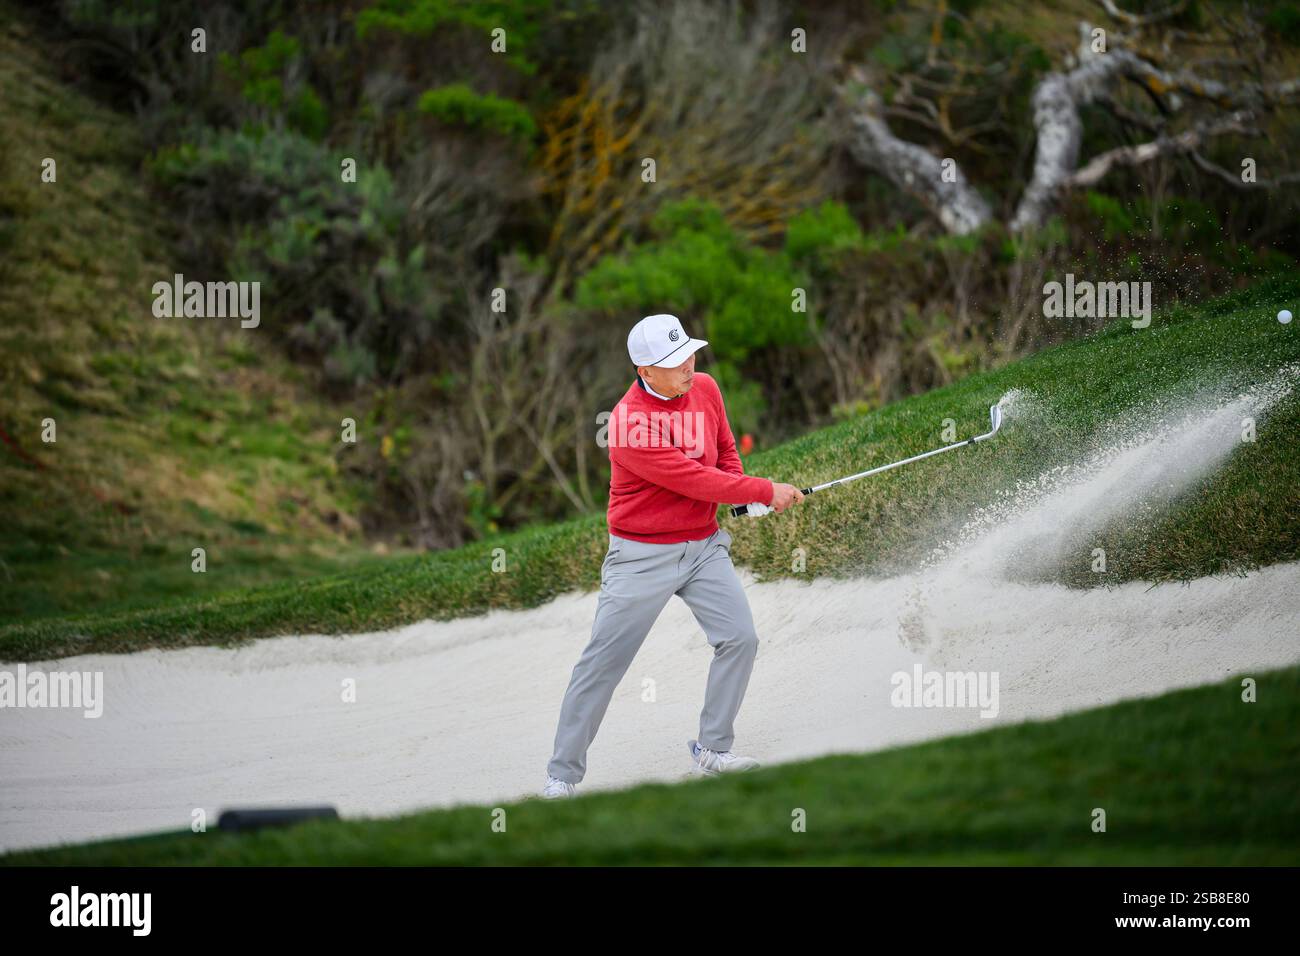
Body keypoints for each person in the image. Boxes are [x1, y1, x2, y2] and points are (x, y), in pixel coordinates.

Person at [542, 313, 804, 798]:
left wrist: (742, 493)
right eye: (672, 360)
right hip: (641, 556)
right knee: (603, 664)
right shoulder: (628, 424)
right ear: (644, 371)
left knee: (739, 638)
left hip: (703, 546)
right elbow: (693, 478)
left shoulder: (704, 387)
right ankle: (561, 777)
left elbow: (724, 453)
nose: (687, 364)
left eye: (687, 352)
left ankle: (713, 749)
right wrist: (765, 491)